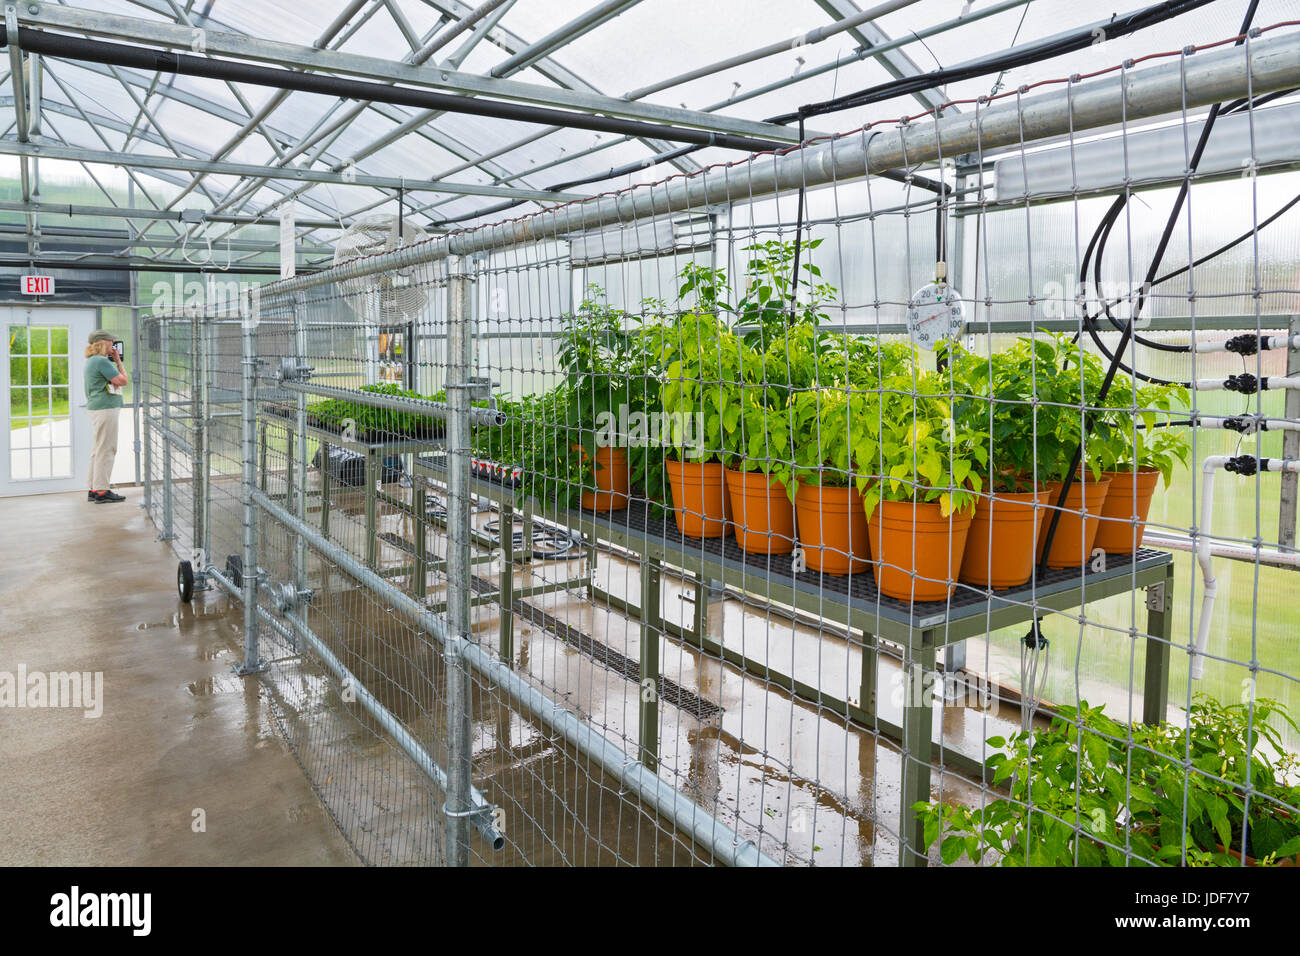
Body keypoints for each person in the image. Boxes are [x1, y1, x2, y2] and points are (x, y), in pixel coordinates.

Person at [85, 329, 128, 503]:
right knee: (107, 449)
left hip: (97, 408)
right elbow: (123, 380)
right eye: (111, 341)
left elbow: (114, 381)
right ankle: (102, 490)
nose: (113, 345)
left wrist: (115, 360)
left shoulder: (92, 361)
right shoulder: (101, 361)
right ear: (103, 342)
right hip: (105, 409)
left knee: (98, 449)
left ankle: (94, 488)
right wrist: (118, 361)